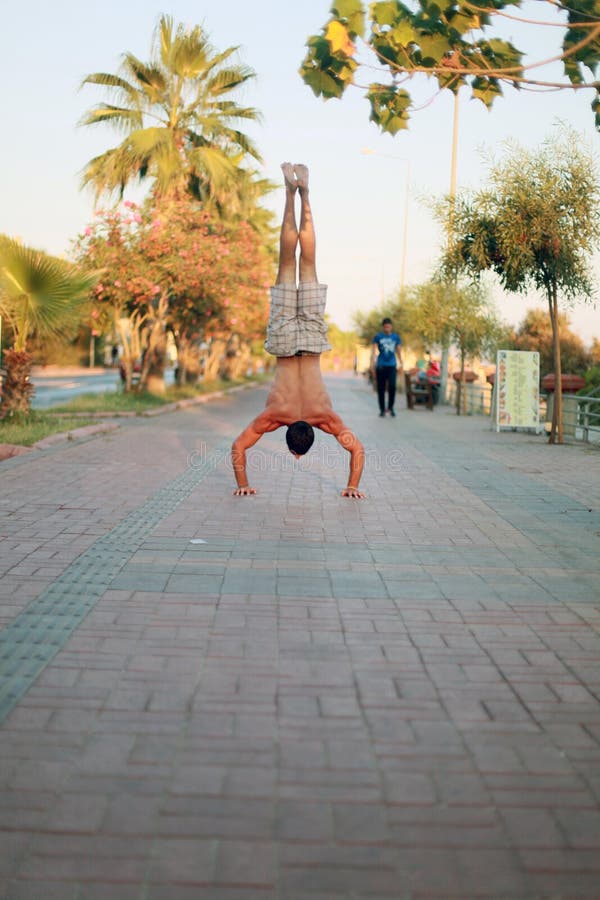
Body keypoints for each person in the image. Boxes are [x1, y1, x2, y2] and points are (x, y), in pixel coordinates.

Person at [231, 163, 365, 499]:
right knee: (286, 261)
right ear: (286, 435)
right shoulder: (275, 417)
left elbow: (357, 451)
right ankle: (290, 193)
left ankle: (305, 193)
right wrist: (242, 485)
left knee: (307, 262)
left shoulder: (325, 418)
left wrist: (353, 486)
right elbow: (238, 449)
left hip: (311, 341)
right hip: (284, 341)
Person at [371, 317, 403, 417]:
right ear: (383, 327)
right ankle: (382, 409)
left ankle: (391, 407)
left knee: (392, 387)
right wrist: (372, 363)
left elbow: (398, 351)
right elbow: (374, 351)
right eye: (385, 327)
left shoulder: (395, 337)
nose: (387, 329)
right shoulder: (378, 337)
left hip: (392, 365)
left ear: (391, 327)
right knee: (381, 388)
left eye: (388, 327)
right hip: (380, 365)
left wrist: (401, 363)